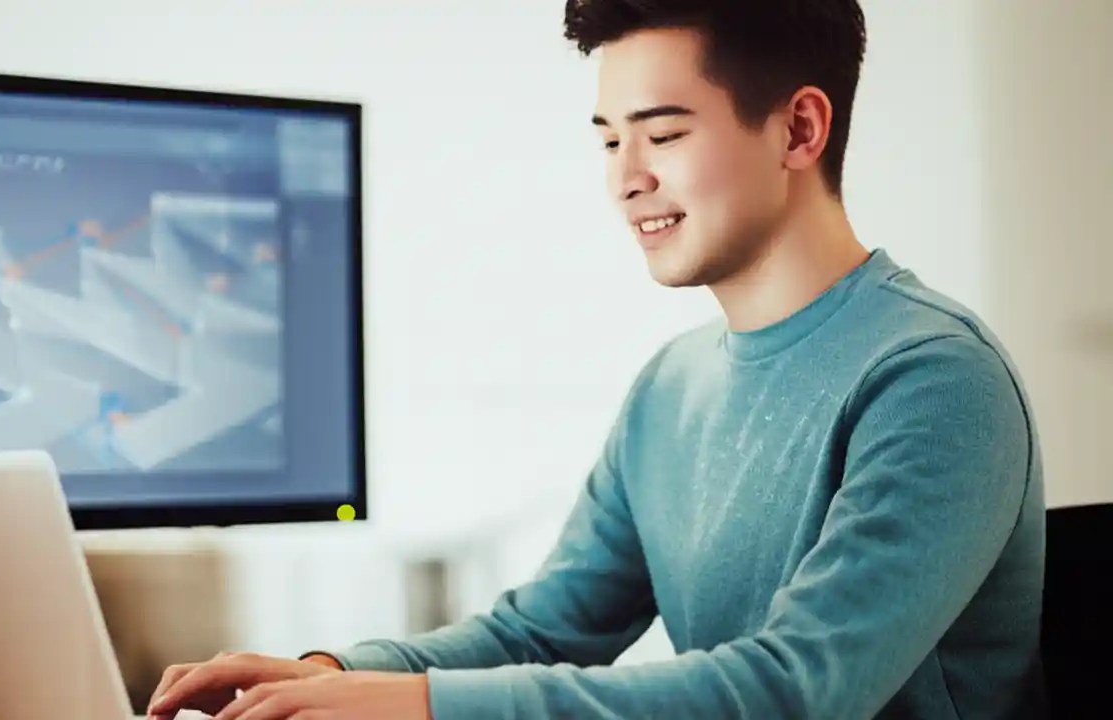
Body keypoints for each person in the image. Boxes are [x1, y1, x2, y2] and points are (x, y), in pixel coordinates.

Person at [148, 1, 1049, 717]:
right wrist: (325, 674)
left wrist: (410, 705)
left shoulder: (936, 380)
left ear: (799, 131)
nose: (624, 179)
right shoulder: (672, 385)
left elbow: (796, 691)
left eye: (662, 135)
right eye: (609, 139)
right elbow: (547, 628)